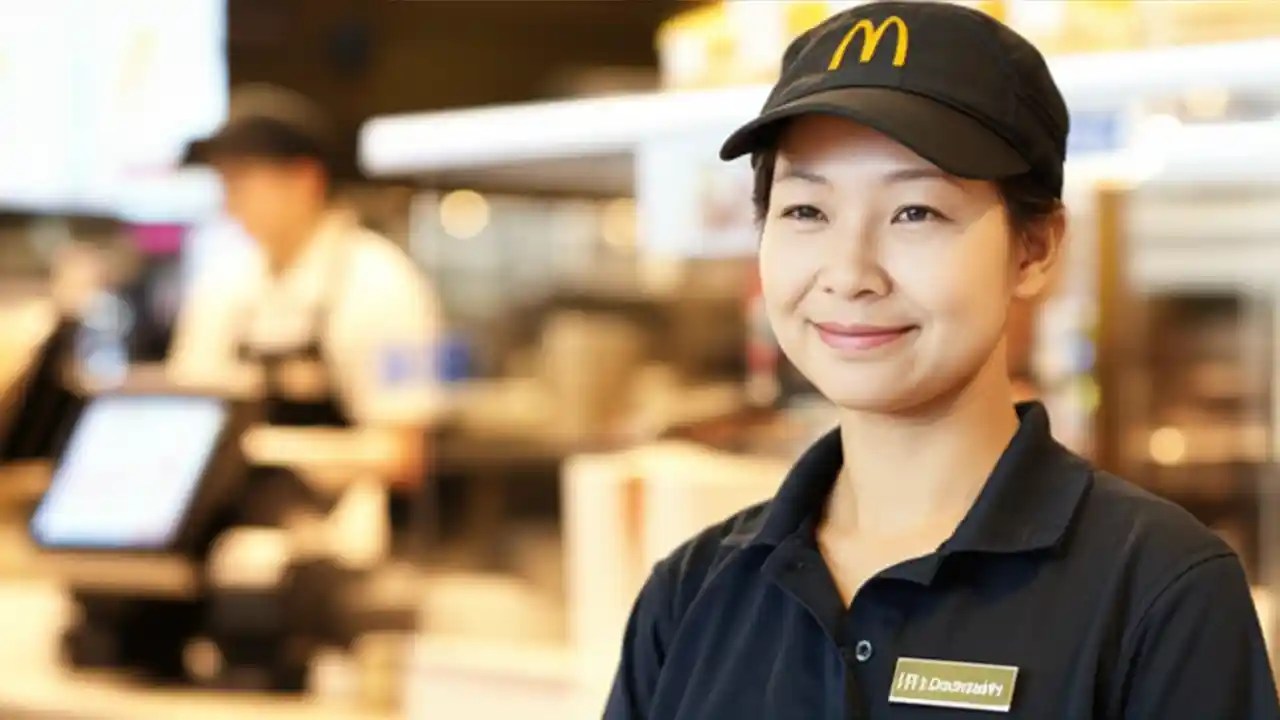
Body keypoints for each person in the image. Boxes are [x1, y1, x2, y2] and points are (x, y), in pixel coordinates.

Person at [605, 3, 1280, 719]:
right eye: (806, 211)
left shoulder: (1159, 593)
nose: (850, 273)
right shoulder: (690, 595)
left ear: (1037, 247)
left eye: (915, 212)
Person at [169, 84, 443, 526]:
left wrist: (269, 450)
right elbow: (186, 413)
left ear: (305, 181)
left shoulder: (385, 283)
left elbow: (405, 454)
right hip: (227, 533)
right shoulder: (222, 283)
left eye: (241, 182)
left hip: (340, 548)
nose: (229, 201)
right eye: (224, 183)